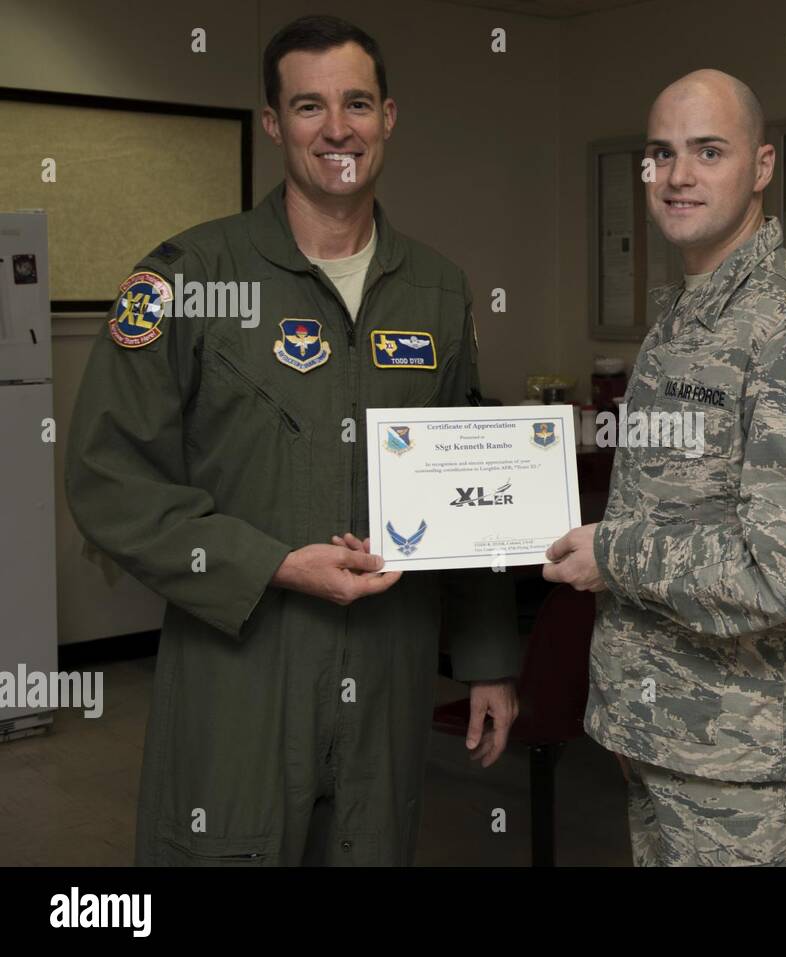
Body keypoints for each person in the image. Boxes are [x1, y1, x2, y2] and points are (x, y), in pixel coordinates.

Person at [66, 14, 519, 866]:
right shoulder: (184, 278)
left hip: (390, 664)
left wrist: (490, 658)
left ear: (390, 117)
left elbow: (476, 490)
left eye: (357, 102)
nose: (337, 128)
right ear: (273, 123)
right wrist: (273, 563)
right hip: (242, 661)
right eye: (309, 106)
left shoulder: (436, 289)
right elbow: (105, 478)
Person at [544, 69, 786, 866]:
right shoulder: (683, 313)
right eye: (661, 154)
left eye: (708, 151)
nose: (679, 175)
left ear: (761, 167)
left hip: (751, 759)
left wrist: (614, 555)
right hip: (670, 732)